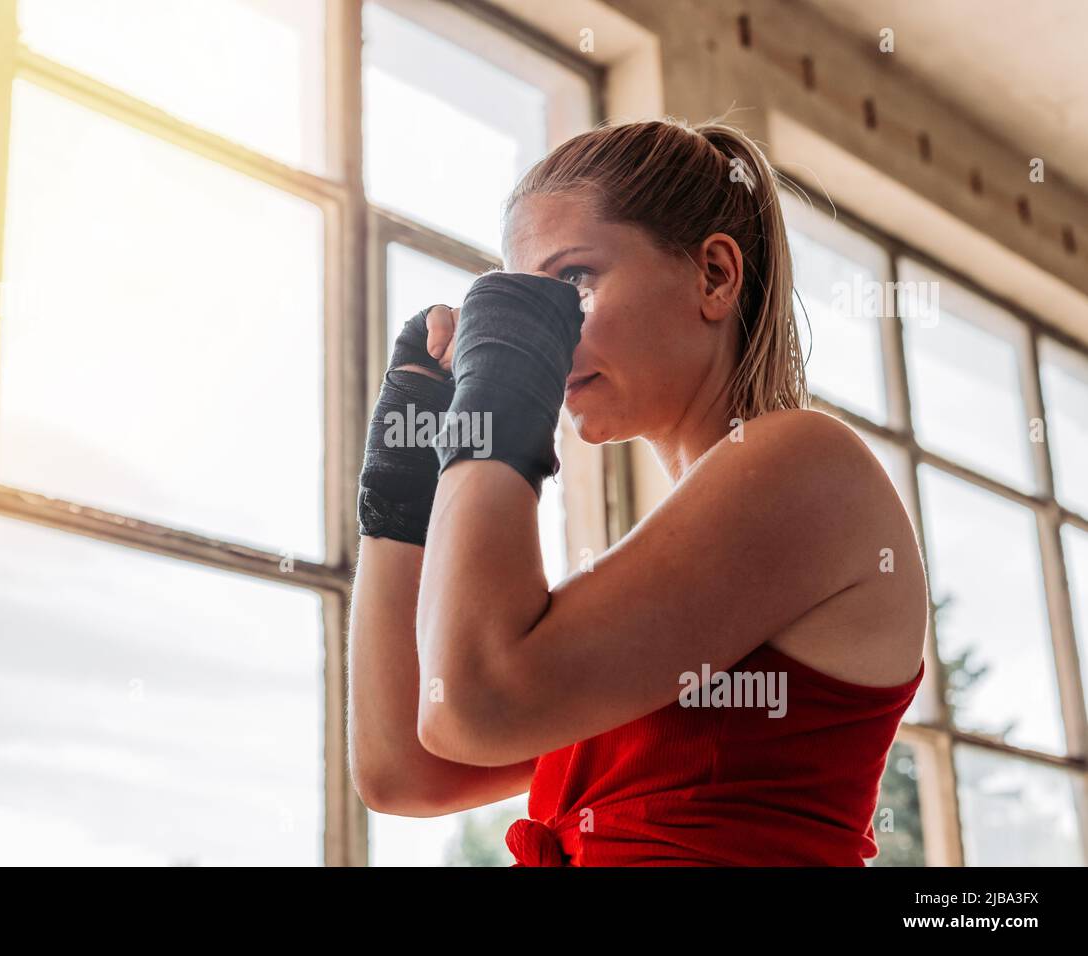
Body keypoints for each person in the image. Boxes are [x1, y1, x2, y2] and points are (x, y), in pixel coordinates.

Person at [347, 117, 928, 866]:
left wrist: (495, 405)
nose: (546, 332)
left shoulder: (806, 461)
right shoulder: (668, 587)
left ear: (715, 275)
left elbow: (474, 696)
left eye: (572, 282)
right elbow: (406, 768)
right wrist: (399, 487)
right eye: (525, 300)